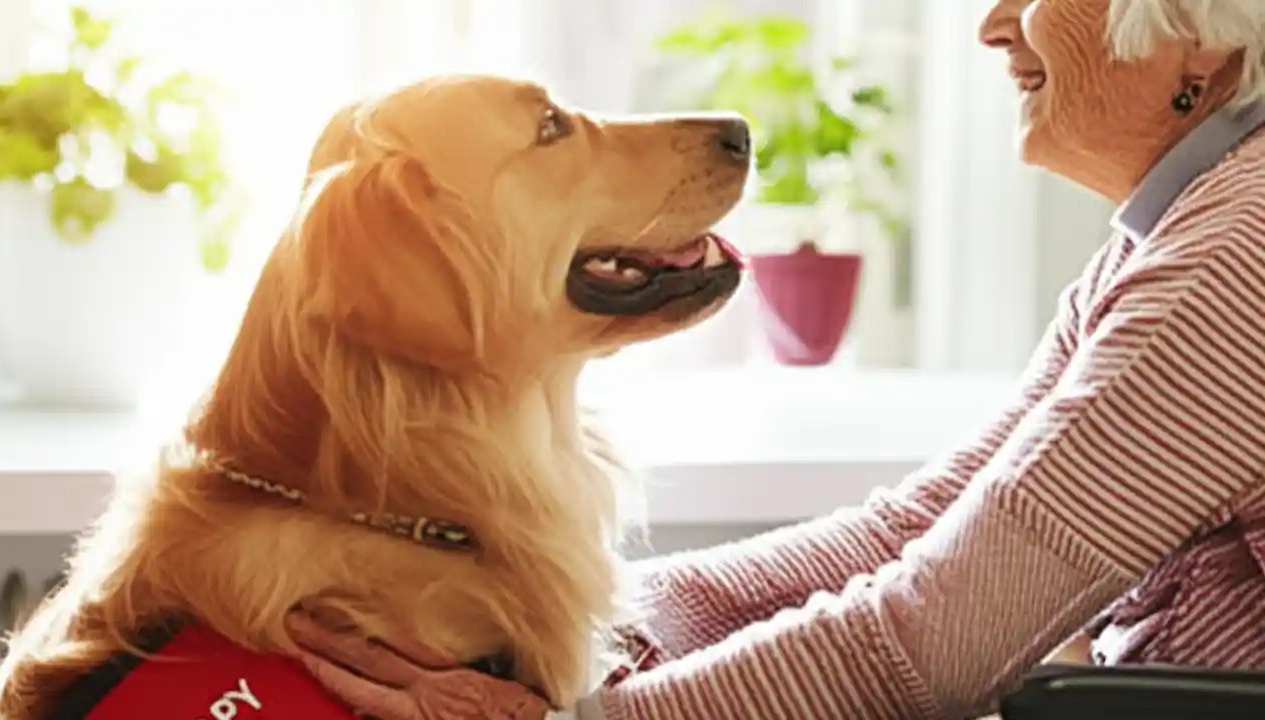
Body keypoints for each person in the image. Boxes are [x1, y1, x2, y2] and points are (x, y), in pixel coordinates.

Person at [285, 0, 1265, 717]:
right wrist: (595, 630)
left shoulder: (1233, 251)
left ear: (1195, 33)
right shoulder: (1177, 231)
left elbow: (939, 635)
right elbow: (928, 526)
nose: (994, 23)